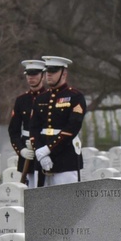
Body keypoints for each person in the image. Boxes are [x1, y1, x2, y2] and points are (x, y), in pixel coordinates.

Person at [28, 55, 86, 185]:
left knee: (66, 201)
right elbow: (34, 128)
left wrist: (48, 149)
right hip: (41, 156)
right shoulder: (40, 99)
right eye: (47, 71)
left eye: (53, 71)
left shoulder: (75, 97)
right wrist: (39, 151)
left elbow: (73, 127)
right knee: (41, 201)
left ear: (64, 73)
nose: (49, 74)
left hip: (65, 157)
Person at [9, 59, 47, 186]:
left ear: (43, 75)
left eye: (35, 74)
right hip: (27, 152)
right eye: (28, 75)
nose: (31, 78)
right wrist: (21, 150)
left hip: (45, 147)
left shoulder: (50, 98)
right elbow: (13, 130)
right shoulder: (21, 100)